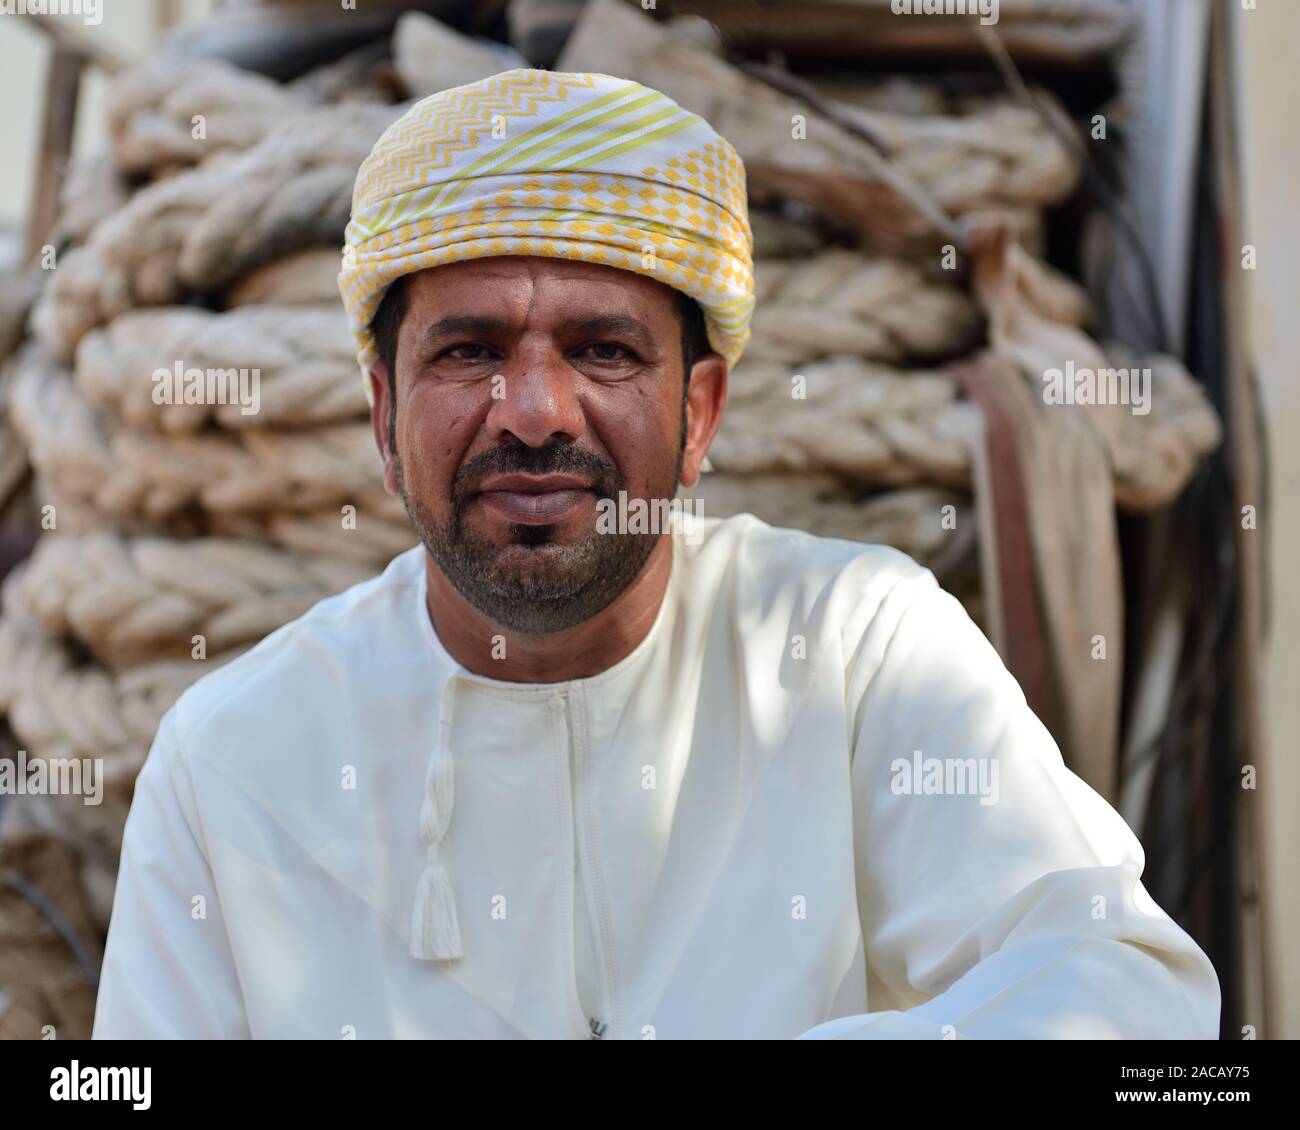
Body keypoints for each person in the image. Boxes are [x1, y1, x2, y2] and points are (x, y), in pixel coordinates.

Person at [92, 68, 1219, 1039]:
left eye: (604, 349)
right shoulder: (230, 764)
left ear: (702, 412)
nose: (533, 409)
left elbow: (1123, 981)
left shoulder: (857, 651)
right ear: (383, 412)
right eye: (470, 348)